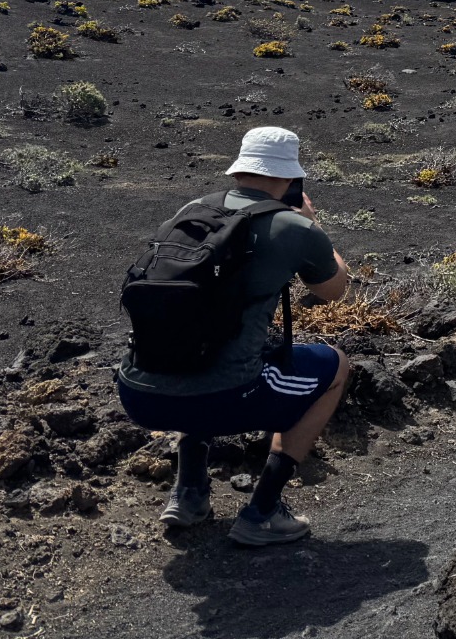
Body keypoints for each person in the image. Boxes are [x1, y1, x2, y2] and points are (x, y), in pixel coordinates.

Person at [115, 126, 351, 546]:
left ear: (240, 169)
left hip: (137, 394)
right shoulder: (293, 226)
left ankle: (189, 495)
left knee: (196, 342)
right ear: (292, 177)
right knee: (336, 366)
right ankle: (263, 512)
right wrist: (313, 225)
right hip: (226, 396)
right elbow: (335, 290)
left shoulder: (192, 211)